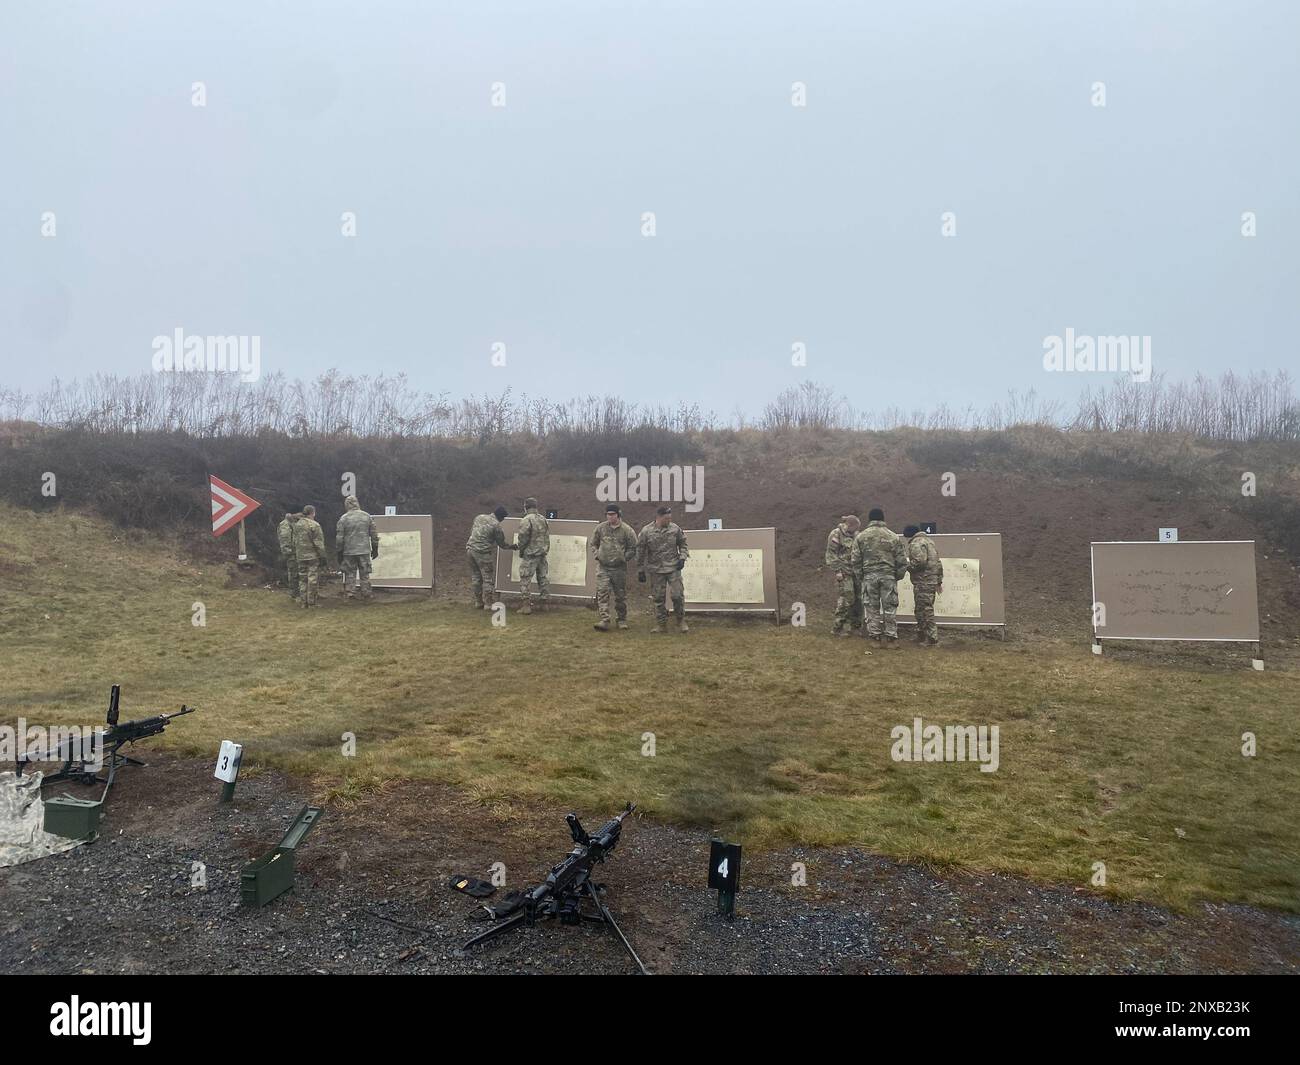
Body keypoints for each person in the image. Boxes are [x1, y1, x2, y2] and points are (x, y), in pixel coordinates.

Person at [851, 507, 907, 646]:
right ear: (883, 519)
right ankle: (891, 639)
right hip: (888, 577)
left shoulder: (861, 537)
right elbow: (901, 560)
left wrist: (861, 576)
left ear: (870, 519)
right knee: (890, 608)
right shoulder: (893, 536)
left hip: (869, 577)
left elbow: (855, 560)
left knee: (872, 608)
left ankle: (874, 638)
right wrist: (897, 576)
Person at [637, 505, 690, 634]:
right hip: (656, 569)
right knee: (658, 598)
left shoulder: (675, 529)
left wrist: (682, 558)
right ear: (659, 518)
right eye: (667, 518)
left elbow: (683, 544)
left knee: (677, 595)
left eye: (670, 518)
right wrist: (640, 569)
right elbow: (640, 550)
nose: (669, 520)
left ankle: (680, 620)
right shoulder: (646, 531)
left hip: (673, 567)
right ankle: (661, 624)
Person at [590, 504, 639, 631]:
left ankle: (621, 619)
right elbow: (593, 543)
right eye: (608, 514)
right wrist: (597, 555)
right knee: (602, 593)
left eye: (613, 514)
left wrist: (623, 558)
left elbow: (633, 548)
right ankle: (604, 619)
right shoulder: (601, 528)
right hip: (603, 568)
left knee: (620, 595)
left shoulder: (627, 530)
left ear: (618, 515)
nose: (610, 517)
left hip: (619, 569)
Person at [466, 506, 514, 609]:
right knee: (487, 578)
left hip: (470, 550)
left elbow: (472, 531)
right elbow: (501, 543)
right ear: (501, 517)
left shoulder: (479, 517)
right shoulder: (496, 525)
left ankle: (478, 602)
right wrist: (512, 547)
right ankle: (488, 603)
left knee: (476, 576)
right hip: (482, 552)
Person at [904, 524, 944, 646]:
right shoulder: (929, 542)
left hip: (923, 581)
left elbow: (919, 561)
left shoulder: (916, 543)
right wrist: (938, 581)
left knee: (925, 611)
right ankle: (922, 635)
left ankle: (931, 638)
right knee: (922, 609)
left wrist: (907, 566)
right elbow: (938, 563)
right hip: (930, 580)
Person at [336, 496, 379, 601]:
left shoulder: (343, 518)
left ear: (346, 505)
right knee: (365, 573)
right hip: (364, 550)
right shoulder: (367, 516)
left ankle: (350, 592)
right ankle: (366, 593)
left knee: (350, 573)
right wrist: (375, 548)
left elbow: (339, 538)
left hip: (349, 551)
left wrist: (339, 552)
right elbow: (374, 534)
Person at [825, 513, 862, 636]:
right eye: (855, 528)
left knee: (858, 600)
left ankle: (855, 626)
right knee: (847, 599)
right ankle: (838, 627)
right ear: (848, 525)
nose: (856, 531)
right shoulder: (836, 534)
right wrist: (837, 571)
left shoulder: (856, 535)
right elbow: (831, 554)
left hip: (856, 572)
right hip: (844, 572)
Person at [515, 496, 550, 614]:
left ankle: (526, 606)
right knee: (543, 578)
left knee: (525, 579)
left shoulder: (526, 519)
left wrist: (521, 550)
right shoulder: (543, 519)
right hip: (542, 554)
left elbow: (522, 537)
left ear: (526, 507)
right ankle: (544, 604)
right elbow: (546, 537)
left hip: (530, 554)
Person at [294, 504, 331, 608]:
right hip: (312, 556)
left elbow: (295, 540)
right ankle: (311, 602)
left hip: (300, 555)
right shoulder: (314, 525)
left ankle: (303, 602)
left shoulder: (297, 525)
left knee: (302, 578)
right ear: (313, 513)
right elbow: (319, 544)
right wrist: (323, 557)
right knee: (312, 579)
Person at [277, 510, 300, 600]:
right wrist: (289, 553)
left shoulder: (292, 523)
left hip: (296, 553)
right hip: (292, 554)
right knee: (294, 574)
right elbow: (285, 540)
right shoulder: (285, 524)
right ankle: (294, 594)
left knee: (297, 574)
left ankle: (298, 593)